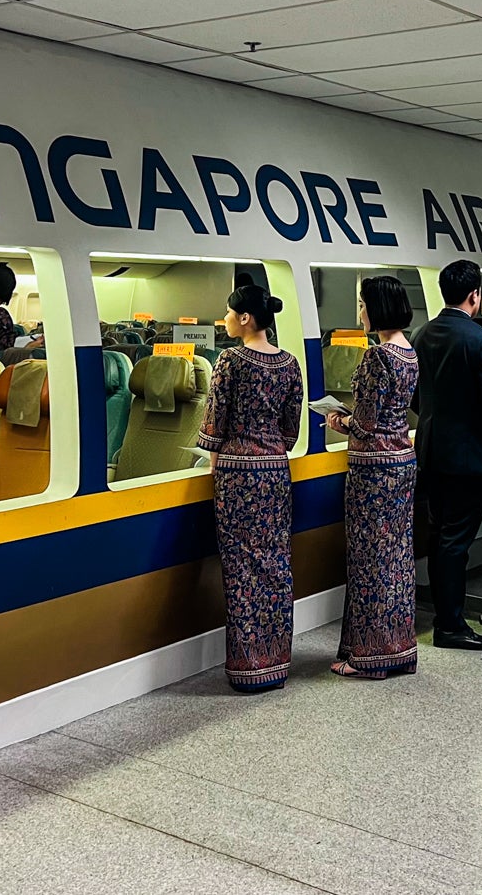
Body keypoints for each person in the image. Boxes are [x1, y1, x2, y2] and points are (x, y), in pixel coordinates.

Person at [198, 283, 304, 692]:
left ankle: (248, 667)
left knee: (242, 570)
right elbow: (291, 429)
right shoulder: (290, 363)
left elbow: (214, 422)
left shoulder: (230, 360)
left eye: (228, 312)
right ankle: (276, 663)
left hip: (238, 476)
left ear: (244, 318)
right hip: (275, 472)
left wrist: (213, 458)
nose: (224, 319)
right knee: (276, 565)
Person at [411, 260, 482, 650]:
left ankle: (446, 617)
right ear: (476, 296)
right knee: (456, 542)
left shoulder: (422, 335)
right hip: (468, 454)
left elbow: (417, 399)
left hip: (432, 449)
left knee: (440, 536)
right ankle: (451, 625)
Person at [326, 276, 419, 680]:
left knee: (368, 561)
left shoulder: (377, 357)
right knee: (396, 557)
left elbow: (364, 424)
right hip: (402, 462)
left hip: (372, 470)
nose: (360, 313)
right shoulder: (409, 353)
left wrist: (337, 420)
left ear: (377, 308)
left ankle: (368, 657)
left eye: (363, 305)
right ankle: (398, 648)